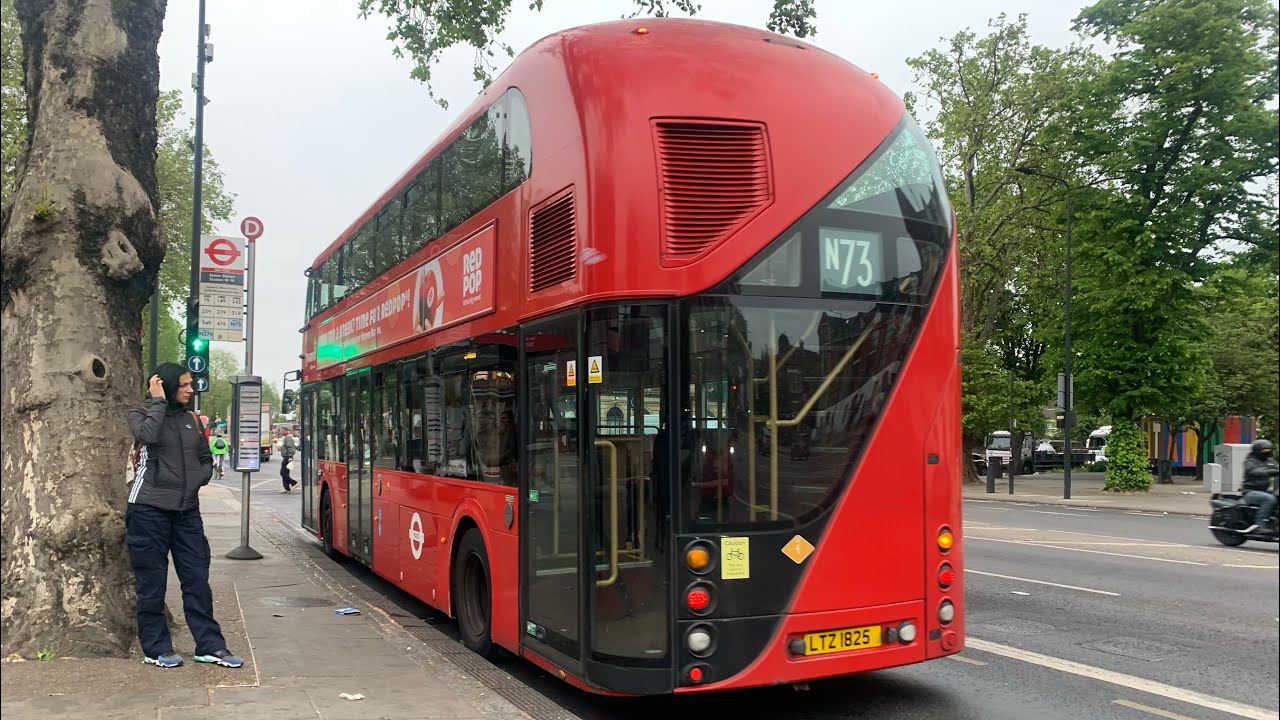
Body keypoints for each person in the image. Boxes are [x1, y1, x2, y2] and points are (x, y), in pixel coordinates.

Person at [127, 363, 244, 669]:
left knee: (196, 580)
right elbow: (148, 436)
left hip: (187, 511)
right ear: (162, 385)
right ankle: (156, 648)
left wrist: (198, 478)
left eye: (190, 383)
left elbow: (205, 457)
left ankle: (210, 645)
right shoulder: (141, 413)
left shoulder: (192, 419)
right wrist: (158, 403)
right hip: (148, 510)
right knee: (152, 583)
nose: (191, 389)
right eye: (183, 385)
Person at [1241, 439, 1278, 533]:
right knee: (1269, 499)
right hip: (1250, 491)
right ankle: (1259, 525)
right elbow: (1254, 471)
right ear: (1257, 451)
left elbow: (1277, 467)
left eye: (1268, 450)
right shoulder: (1250, 461)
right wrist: (1270, 471)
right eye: (1264, 451)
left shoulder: (1269, 460)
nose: (1267, 452)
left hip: (1264, 490)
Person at [279, 427, 298, 492]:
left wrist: (290, 456)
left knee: (282, 472)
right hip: (286, 456)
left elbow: (290, 447)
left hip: (287, 457)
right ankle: (286, 488)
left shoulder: (288, 438)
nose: (280, 432)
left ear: (285, 431)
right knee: (286, 472)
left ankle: (293, 482)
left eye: (281, 431)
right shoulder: (286, 437)